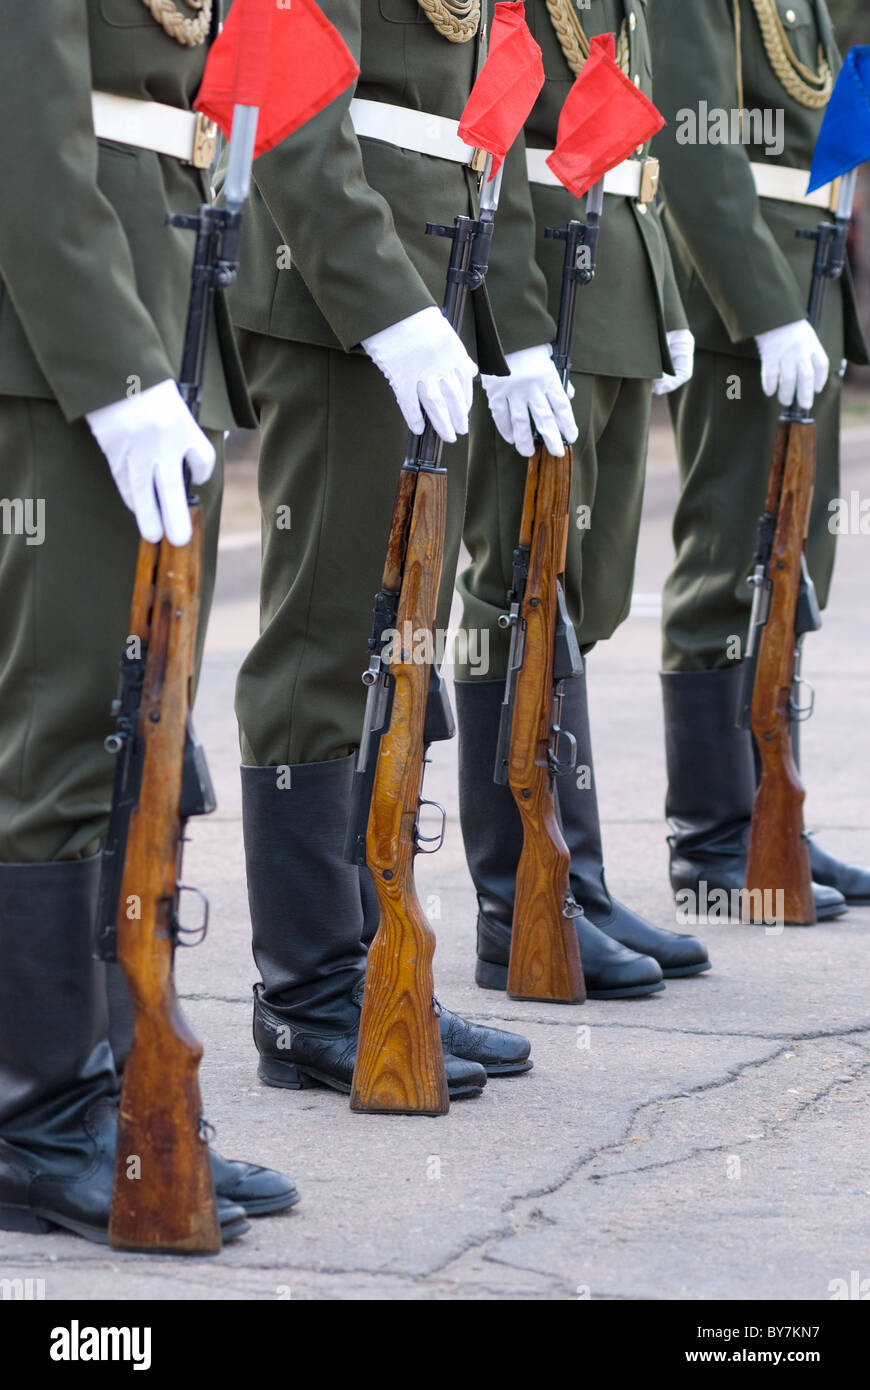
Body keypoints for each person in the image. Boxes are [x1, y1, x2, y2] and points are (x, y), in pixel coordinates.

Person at [227, 0, 579, 1094]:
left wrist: (504, 325)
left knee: (404, 646)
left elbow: (487, 113)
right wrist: (382, 301)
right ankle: (305, 992)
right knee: (327, 642)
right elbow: (292, 91)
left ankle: (381, 967)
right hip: (347, 296)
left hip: (441, 280)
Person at [0, 0, 296, 1245]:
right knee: (63, 727)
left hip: (162, 298)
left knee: (140, 735)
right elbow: (25, 123)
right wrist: (114, 370)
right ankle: (33, 1122)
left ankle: (121, 1100)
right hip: (67, 340)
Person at [453, 0, 711, 999]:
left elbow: (623, 125)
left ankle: (578, 880)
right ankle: (516, 900)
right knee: (513, 585)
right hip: (537, 283)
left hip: (608, 280)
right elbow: (493, 135)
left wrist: (668, 299)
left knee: (581, 598)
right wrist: (509, 325)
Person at [652, 0, 870, 919]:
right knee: (731, 556)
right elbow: (694, 142)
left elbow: (847, 85)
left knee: (793, 561)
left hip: (809, 268)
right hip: (745, 293)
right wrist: (764, 304)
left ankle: (770, 807)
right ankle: (711, 837)